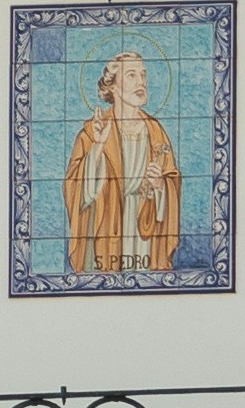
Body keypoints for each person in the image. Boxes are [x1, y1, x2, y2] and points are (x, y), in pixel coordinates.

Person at [63, 46, 183, 279]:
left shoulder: (156, 131)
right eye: (132, 75)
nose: (142, 82)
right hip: (106, 231)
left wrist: (160, 186)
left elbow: (172, 183)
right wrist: (97, 148)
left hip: (143, 235)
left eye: (143, 75)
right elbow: (75, 190)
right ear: (113, 86)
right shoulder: (92, 131)